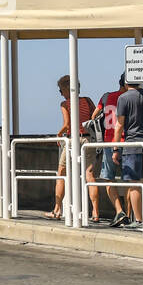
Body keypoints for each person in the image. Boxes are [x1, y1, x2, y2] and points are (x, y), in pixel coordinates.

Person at [47, 74, 94, 220]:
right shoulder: (87, 101)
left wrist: (58, 134)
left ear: (67, 90)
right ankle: (96, 212)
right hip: (88, 139)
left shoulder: (65, 104)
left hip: (73, 139)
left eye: (61, 90)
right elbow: (93, 119)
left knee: (61, 172)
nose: (60, 93)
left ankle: (57, 209)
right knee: (89, 174)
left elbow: (67, 124)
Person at [87, 73, 128, 224]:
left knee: (108, 178)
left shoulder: (106, 97)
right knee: (131, 181)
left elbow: (94, 116)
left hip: (109, 141)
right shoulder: (129, 97)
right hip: (126, 142)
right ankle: (131, 214)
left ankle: (119, 211)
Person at [111, 78, 143, 230]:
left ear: (126, 83)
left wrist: (115, 149)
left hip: (132, 144)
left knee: (134, 184)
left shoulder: (123, 98)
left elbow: (119, 125)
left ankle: (139, 220)